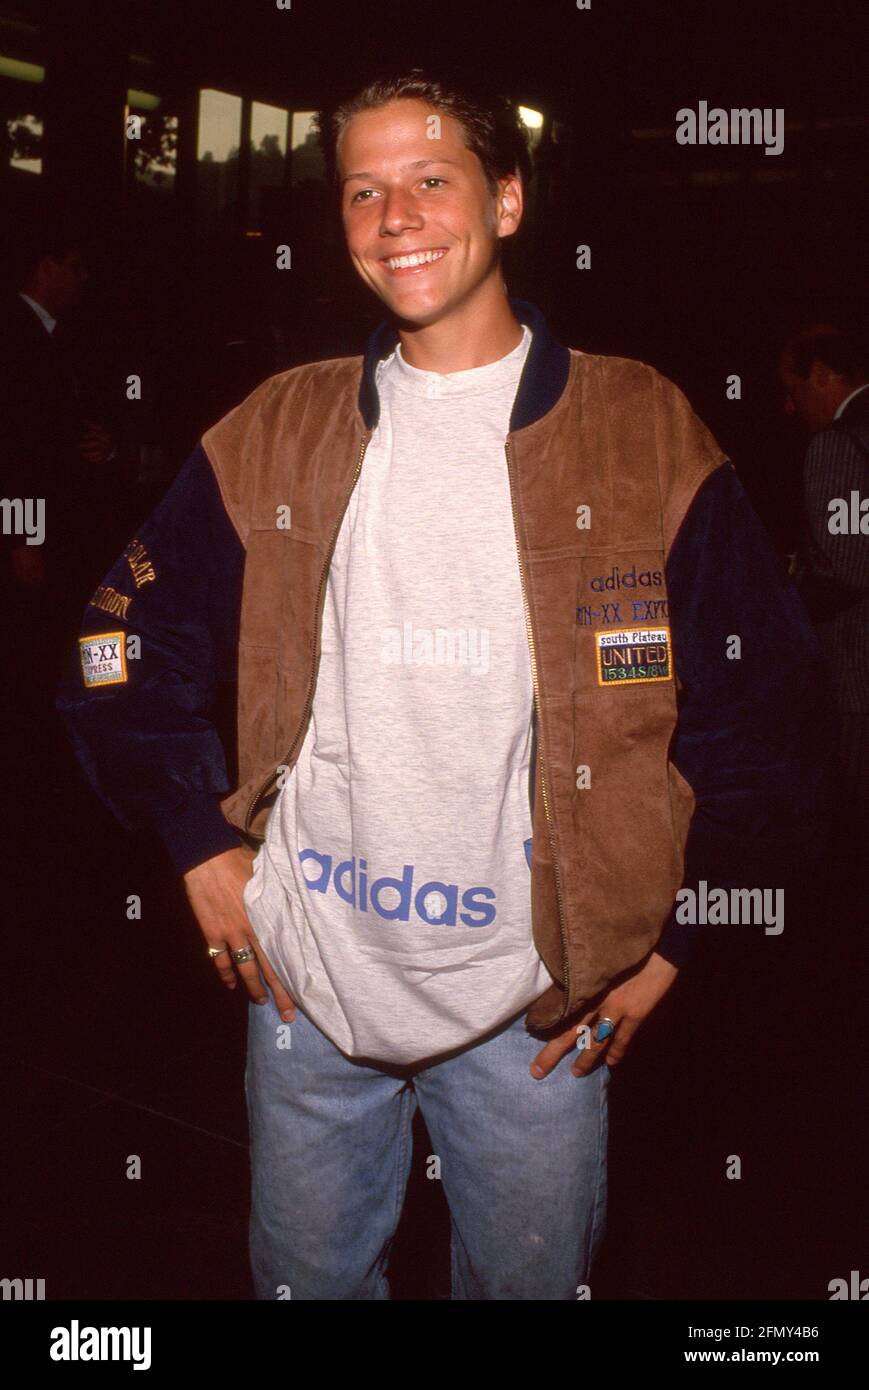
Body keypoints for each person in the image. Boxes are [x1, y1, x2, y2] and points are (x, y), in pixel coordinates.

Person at [56, 72, 828, 1300]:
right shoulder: (276, 426)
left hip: (535, 1013)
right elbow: (113, 645)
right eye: (364, 191)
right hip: (307, 984)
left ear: (507, 201)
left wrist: (678, 939)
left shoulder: (641, 430)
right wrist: (194, 836)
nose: (395, 216)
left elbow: (767, 714)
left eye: (430, 180)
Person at [779, 325, 869, 842]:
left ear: (821, 376)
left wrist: (785, 597)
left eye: (793, 390)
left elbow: (852, 566)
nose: (791, 408)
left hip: (858, 681)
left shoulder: (835, 446)